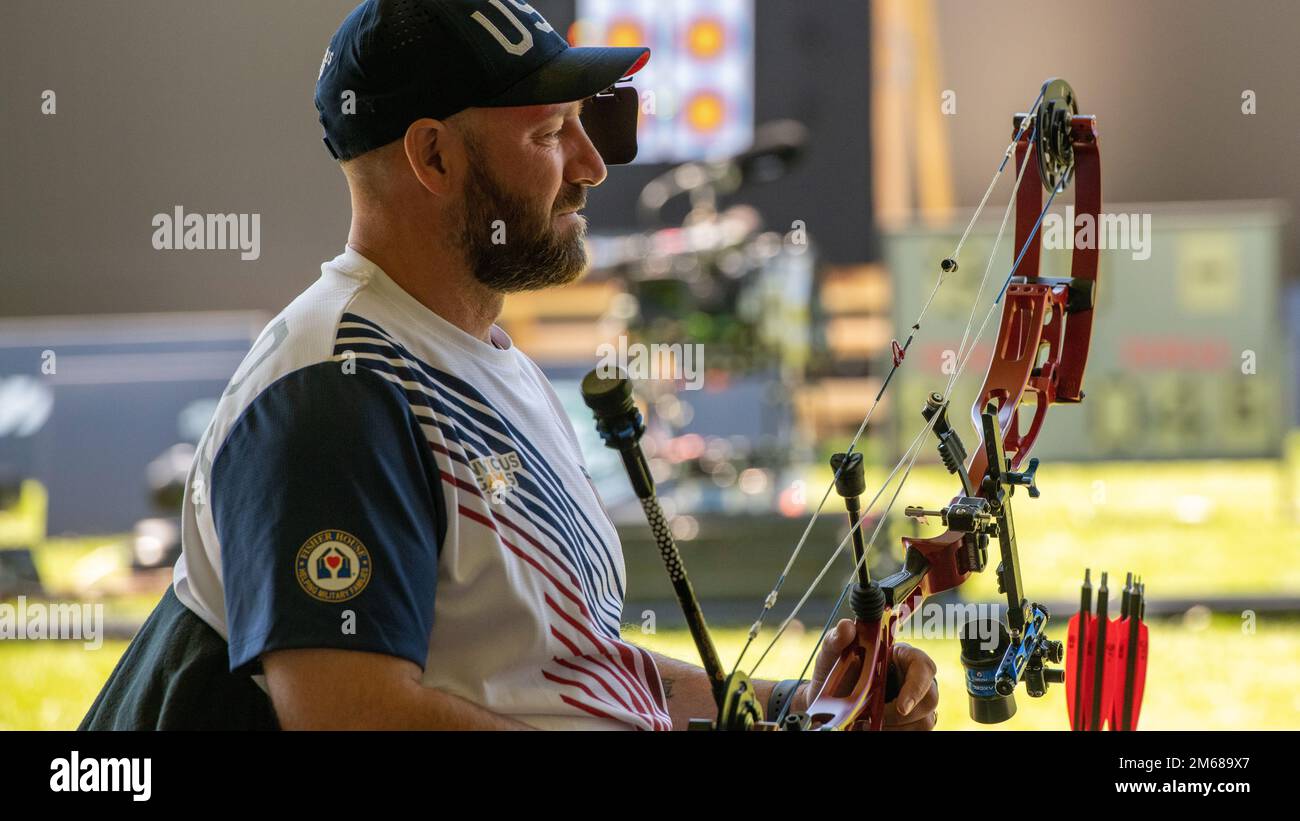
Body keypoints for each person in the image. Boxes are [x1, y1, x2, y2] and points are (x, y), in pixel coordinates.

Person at [81, 0, 938, 731]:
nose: (592, 166)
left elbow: (566, 661)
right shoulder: (334, 390)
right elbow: (351, 713)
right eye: (553, 132)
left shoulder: (480, 357)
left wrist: (790, 707)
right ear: (434, 158)